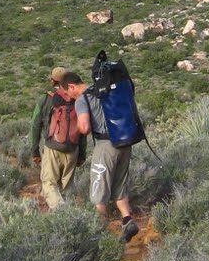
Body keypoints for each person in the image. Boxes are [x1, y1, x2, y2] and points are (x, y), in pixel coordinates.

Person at [75, 73, 139, 242]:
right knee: (119, 184)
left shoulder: (83, 98)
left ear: (71, 87)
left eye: (68, 92)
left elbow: (84, 127)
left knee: (99, 190)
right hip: (124, 141)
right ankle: (127, 220)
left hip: (105, 145)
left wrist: (78, 128)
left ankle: (99, 236)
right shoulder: (106, 91)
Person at [30, 69, 87, 209]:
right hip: (72, 148)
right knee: (67, 186)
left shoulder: (45, 99)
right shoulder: (75, 97)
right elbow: (83, 130)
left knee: (49, 184)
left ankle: (61, 214)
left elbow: (35, 125)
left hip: (52, 148)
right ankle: (72, 218)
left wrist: (35, 151)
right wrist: (82, 154)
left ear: (52, 81)